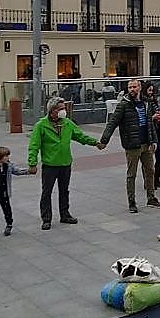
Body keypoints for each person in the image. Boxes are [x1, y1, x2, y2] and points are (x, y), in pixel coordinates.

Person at [28, 96, 100, 230]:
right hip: (50, 165)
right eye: (61, 109)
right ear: (52, 110)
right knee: (46, 192)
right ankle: (46, 218)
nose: (64, 111)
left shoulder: (67, 123)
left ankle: (65, 214)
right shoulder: (41, 125)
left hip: (65, 163)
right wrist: (32, 163)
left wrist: (95, 143)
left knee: (64, 191)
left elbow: (80, 136)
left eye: (64, 108)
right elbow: (34, 145)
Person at [99, 79, 160, 214]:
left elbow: (150, 125)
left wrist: (154, 140)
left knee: (150, 170)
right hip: (132, 145)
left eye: (134, 87)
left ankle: (151, 197)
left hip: (147, 143)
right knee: (131, 174)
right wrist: (104, 140)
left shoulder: (146, 102)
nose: (132, 89)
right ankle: (132, 202)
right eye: (130, 87)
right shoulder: (123, 105)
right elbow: (112, 122)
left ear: (140, 88)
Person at [145, 84, 160, 189]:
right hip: (148, 134)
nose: (151, 92)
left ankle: (156, 179)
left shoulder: (154, 102)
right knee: (147, 160)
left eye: (152, 91)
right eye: (149, 90)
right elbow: (141, 120)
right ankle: (148, 181)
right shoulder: (143, 103)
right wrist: (152, 117)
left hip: (159, 133)